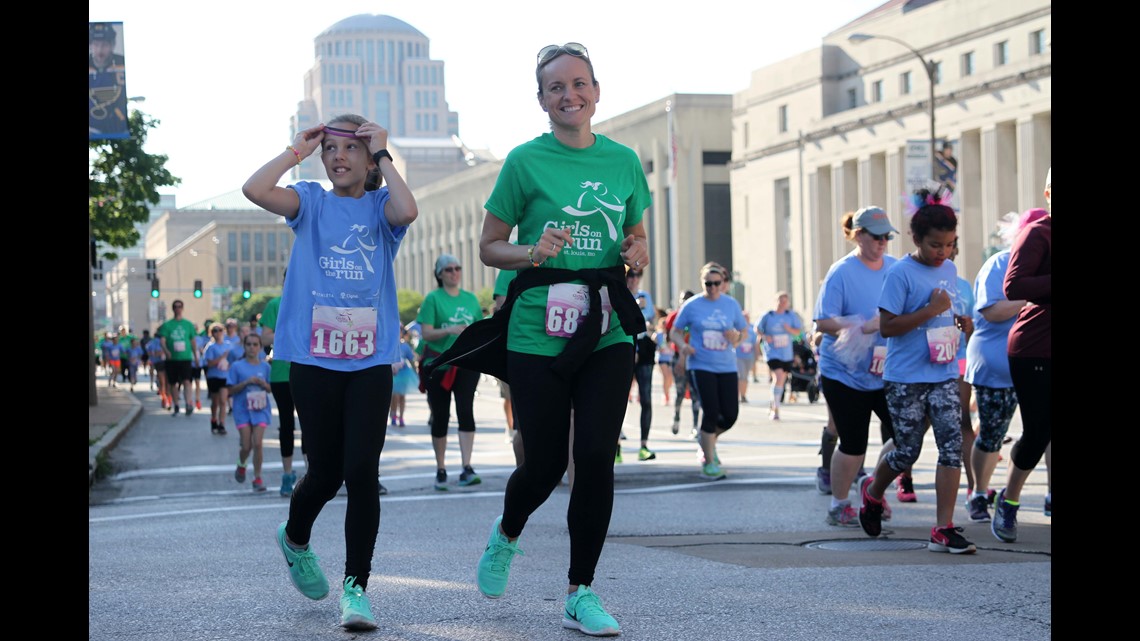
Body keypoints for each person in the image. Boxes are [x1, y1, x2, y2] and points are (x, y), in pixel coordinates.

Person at [455, 42, 649, 637]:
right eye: (556, 88)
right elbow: (489, 246)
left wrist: (638, 252)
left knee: (594, 455)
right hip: (538, 329)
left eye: (579, 83)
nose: (570, 95)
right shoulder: (523, 162)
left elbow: (636, 239)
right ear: (541, 100)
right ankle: (508, 531)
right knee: (541, 466)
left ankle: (580, 590)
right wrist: (529, 252)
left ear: (597, 91)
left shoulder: (623, 161)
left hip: (607, 326)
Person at [242, 112, 418, 630]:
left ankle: (356, 588)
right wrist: (297, 150)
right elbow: (254, 188)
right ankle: (295, 537)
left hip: (368, 360)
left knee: (362, 471)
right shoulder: (311, 202)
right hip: (314, 360)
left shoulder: (383, 205)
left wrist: (386, 151)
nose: (338, 156)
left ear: (368, 160)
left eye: (350, 148)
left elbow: (409, 209)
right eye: (331, 149)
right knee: (325, 473)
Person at [858, 189, 976, 555]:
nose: (943, 252)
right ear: (916, 239)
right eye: (936, 245)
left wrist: (957, 320)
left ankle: (943, 527)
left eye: (950, 245)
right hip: (905, 376)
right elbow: (888, 327)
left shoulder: (951, 269)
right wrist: (930, 310)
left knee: (951, 448)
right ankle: (873, 494)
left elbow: (944, 308)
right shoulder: (900, 274)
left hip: (941, 371)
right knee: (907, 451)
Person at [813, 207, 899, 527]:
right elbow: (822, 322)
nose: (882, 243)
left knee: (906, 438)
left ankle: (871, 486)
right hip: (845, 372)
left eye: (887, 237)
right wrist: (862, 325)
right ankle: (839, 504)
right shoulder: (842, 272)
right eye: (876, 236)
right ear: (858, 235)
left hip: (886, 370)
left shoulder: (895, 268)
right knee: (853, 443)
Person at [964, 208, 1048, 523]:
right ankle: (979, 493)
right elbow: (991, 311)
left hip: (1038, 357)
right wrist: (1033, 300)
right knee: (992, 433)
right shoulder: (999, 264)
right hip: (997, 365)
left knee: (1042, 431)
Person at [992, 168, 1051, 543]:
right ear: (1048, 192)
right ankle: (1009, 501)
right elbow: (1013, 285)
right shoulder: (1038, 232)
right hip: (1036, 347)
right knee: (1039, 431)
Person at [670, 262, 748, 481]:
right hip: (700, 365)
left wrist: (738, 337)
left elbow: (743, 330)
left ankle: (707, 442)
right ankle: (709, 461)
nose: (713, 287)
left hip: (726, 366)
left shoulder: (730, 304)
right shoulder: (692, 305)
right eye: (708, 284)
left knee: (730, 415)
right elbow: (675, 332)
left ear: (723, 283)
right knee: (711, 411)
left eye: (717, 283)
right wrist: (683, 346)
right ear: (702, 283)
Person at [417, 253, 485, 491]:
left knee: (466, 410)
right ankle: (441, 468)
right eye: (448, 269)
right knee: (440, 415)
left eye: (458, 268)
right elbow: (425, 333)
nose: (454, 272)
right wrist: (450, 330)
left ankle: (467, 466)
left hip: (465, 364)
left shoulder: (471, 299)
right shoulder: (433, 299)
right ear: (439, 274)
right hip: (439, 364)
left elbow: (479, 329)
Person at [260, 283, 306, 496]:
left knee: (310, 424)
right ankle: (287, 475)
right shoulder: (275, 304)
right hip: (281, 373)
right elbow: (265, 337)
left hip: (309, 370)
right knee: (287, 424)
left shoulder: (312, 299)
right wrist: (288, 332)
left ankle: (312, 473)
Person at [227, 332, 273, 493]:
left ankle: (257, 477)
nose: (252, 347)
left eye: (255, 344)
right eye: (249, 344)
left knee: (258, 443)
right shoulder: (237, 366)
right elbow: (230, 390)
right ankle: (241, 464)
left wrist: (263, 384)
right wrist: (246, 382)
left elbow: (270, 389)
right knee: (246, 446)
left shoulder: (265, 367)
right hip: (243, 410)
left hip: (260, 410)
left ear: (260, 347)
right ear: (244, 346)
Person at [623, 267, 657, 463]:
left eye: (638, 275)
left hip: (643, 345)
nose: (634, 279)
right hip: (624, 343)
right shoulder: (620, 291)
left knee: (646, 397)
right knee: (618, 397)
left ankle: (644, 445)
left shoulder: (646, 297)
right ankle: (616, 444)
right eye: (631, 275)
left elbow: (650, 320)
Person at [756, 291, 803, 421]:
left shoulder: (791, 316)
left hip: (786, 353)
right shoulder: (768, 315)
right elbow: (757, 329)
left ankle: (773, 403)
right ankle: (776, 408)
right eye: (780, 300)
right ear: (775, 301)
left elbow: (798, 331)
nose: (782, 303)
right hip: (772, 352)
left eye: (785, 301)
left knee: (781, 379)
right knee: (778, 376)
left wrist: (789, 330)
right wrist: (765, 336)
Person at [665, 289, 700, 436]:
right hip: (678, 357)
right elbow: (669, 336)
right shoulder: (674, 316)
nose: (683, 302)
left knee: (695, 394)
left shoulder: (696, 316)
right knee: (680, 392)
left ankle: (695, 425)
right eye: (682, 299)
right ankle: (676, 417)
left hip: (693, 358)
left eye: (687, 299)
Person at [157, 300, 200, 417]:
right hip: (172, 359)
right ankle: (176, 404)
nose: (178, 309)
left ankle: (188, 404)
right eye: (175, 307)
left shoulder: (188, 325)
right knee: (173, 383)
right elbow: (162, 341)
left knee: (187, 381)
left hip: (185, 358)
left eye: (180, 306)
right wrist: (166, 351)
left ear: (182, 308)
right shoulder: (167, 325)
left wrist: (195, 356)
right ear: (173, 309)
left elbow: (192, 341)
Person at [89, 22, 128, 138]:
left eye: (104, 45)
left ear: (113, 45)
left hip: (116, 125)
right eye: (96, 44)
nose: (100, 49)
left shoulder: (121, 63)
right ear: (90, 45)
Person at [203, 323, 231, 435]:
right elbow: (209, 364)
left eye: (220, 330)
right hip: (214, 377)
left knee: (223, 401)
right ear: (212, 333)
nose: (217, 333)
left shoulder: (228, 345)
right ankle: (213, 419)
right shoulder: (210, 347)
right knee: (215, 402)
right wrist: (221, 358)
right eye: (215, 330)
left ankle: (222, 424)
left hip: (225, 377)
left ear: (223, 331)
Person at [390, 326, 419, 428]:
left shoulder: (405, 346)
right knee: (395, 395)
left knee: (402, 396)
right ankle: (393, 413)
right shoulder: (389, 345)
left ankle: (401, 416)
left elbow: (411, 358)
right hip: (393, 373)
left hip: (404, 372)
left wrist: (415, 370)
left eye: (400, 332)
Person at [736, 312, 758, 403]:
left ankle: (743, 395)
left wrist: (757, 355)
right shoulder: (737, 328)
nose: (746, 319)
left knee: (745, 377)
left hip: (749, 356)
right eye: (744, 318)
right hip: (738, 357)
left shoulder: (752, 330)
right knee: (741, 376)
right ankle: (737, 396)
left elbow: (755, 344)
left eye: (747, 318)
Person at [653, 314, 674, 406]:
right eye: (663, 324)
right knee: (666, 376)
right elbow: (653, 340)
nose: (665, 325)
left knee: (670, 378)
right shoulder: (659, 334)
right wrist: (658, 347)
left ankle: (667, 391)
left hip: (671, 358)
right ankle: (666, 396)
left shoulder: (671, 334)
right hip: (662, 359)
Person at [146, 331, 169, 408]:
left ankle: (164, 398)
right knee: (166, 382)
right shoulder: (162, 341)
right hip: (164, 362)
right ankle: (166, 398)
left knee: (162, 382)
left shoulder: (151, 342)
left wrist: (152, 357)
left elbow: (149, 351)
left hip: (156, 362)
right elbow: (158, 352)